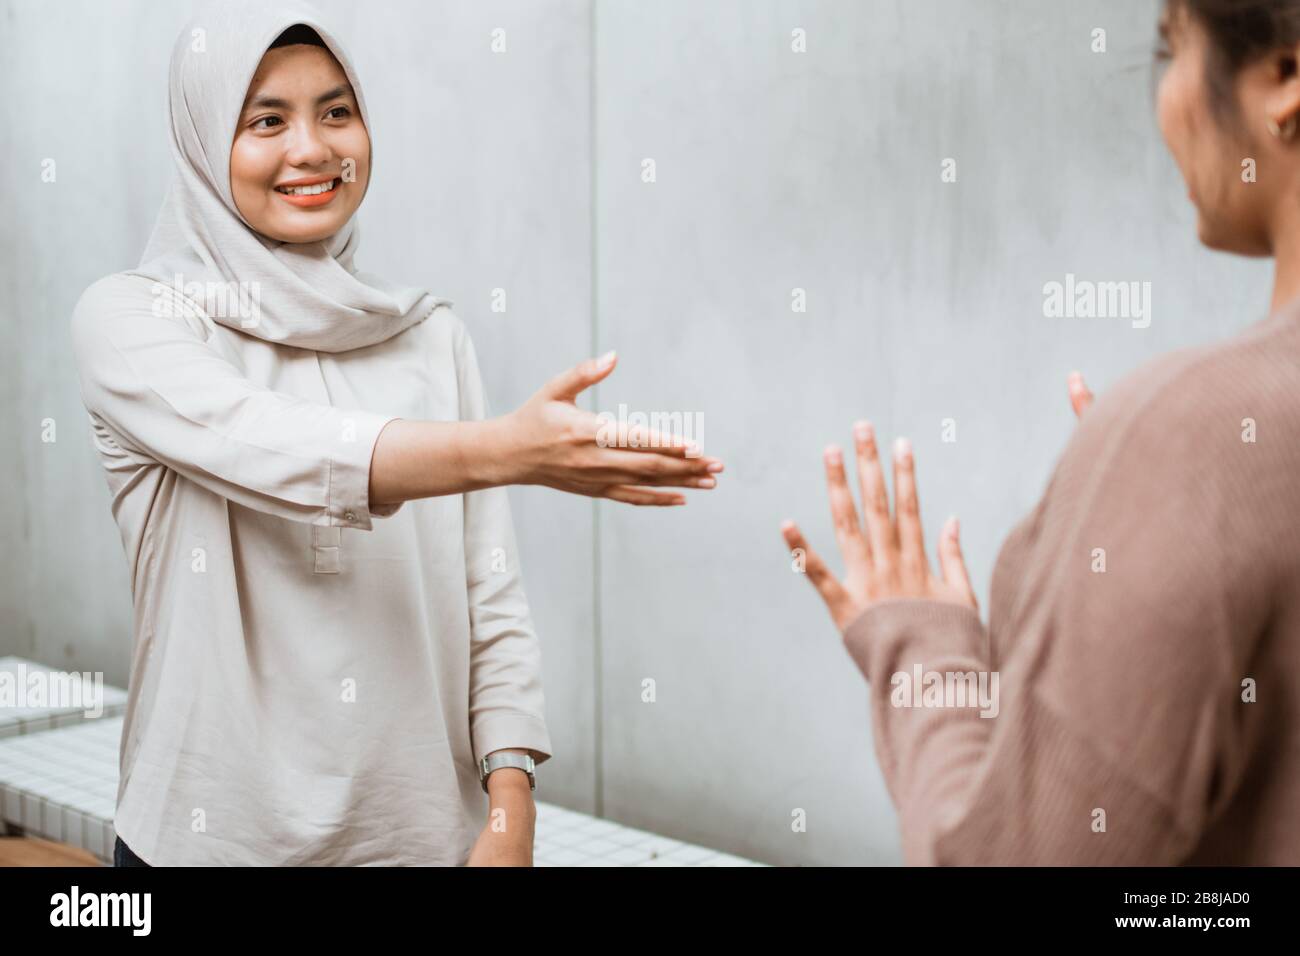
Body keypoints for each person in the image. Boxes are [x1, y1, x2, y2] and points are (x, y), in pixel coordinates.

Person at [70, 0, 722, 866]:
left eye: (337, 111)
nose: (313, 148)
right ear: (200, 142)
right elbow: (270, 445)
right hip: (204, 843)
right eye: (266, 120)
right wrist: (508, 451)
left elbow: (489, 597)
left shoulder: (428, 335)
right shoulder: (134, 319)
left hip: (421, 843)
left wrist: (510, 799)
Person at [782, 0, 1300, 864]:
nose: (1163, 98)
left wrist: (926, 648)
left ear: (1286, 78)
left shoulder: (1199, 437)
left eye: (1171, 47)